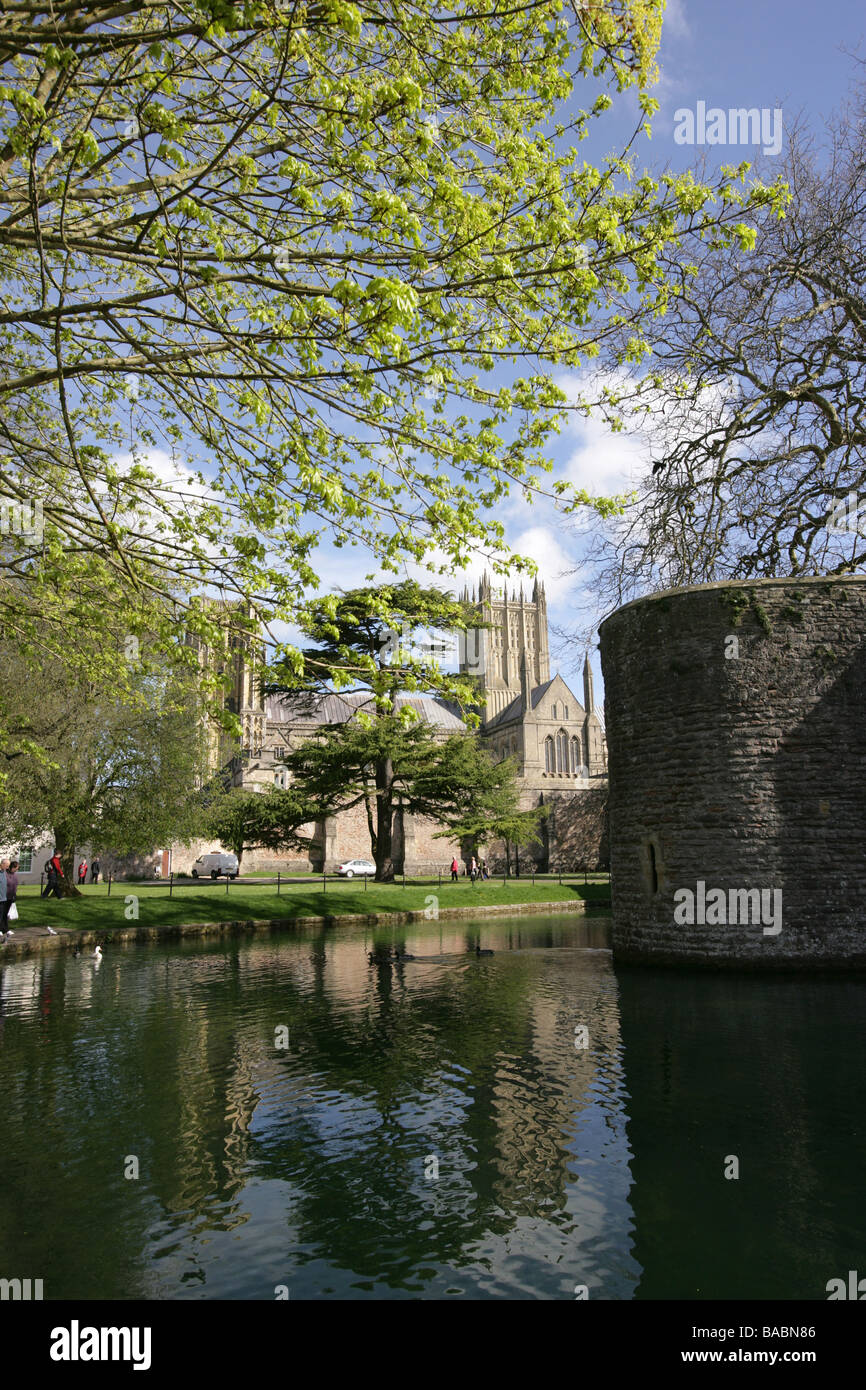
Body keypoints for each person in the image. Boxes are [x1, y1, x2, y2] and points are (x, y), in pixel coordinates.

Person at [0, 858, 8, 931]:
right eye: (6, 865)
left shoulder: (4, 872)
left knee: (1, 916)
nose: (7, 867)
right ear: (2, 864)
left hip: (3, 898)